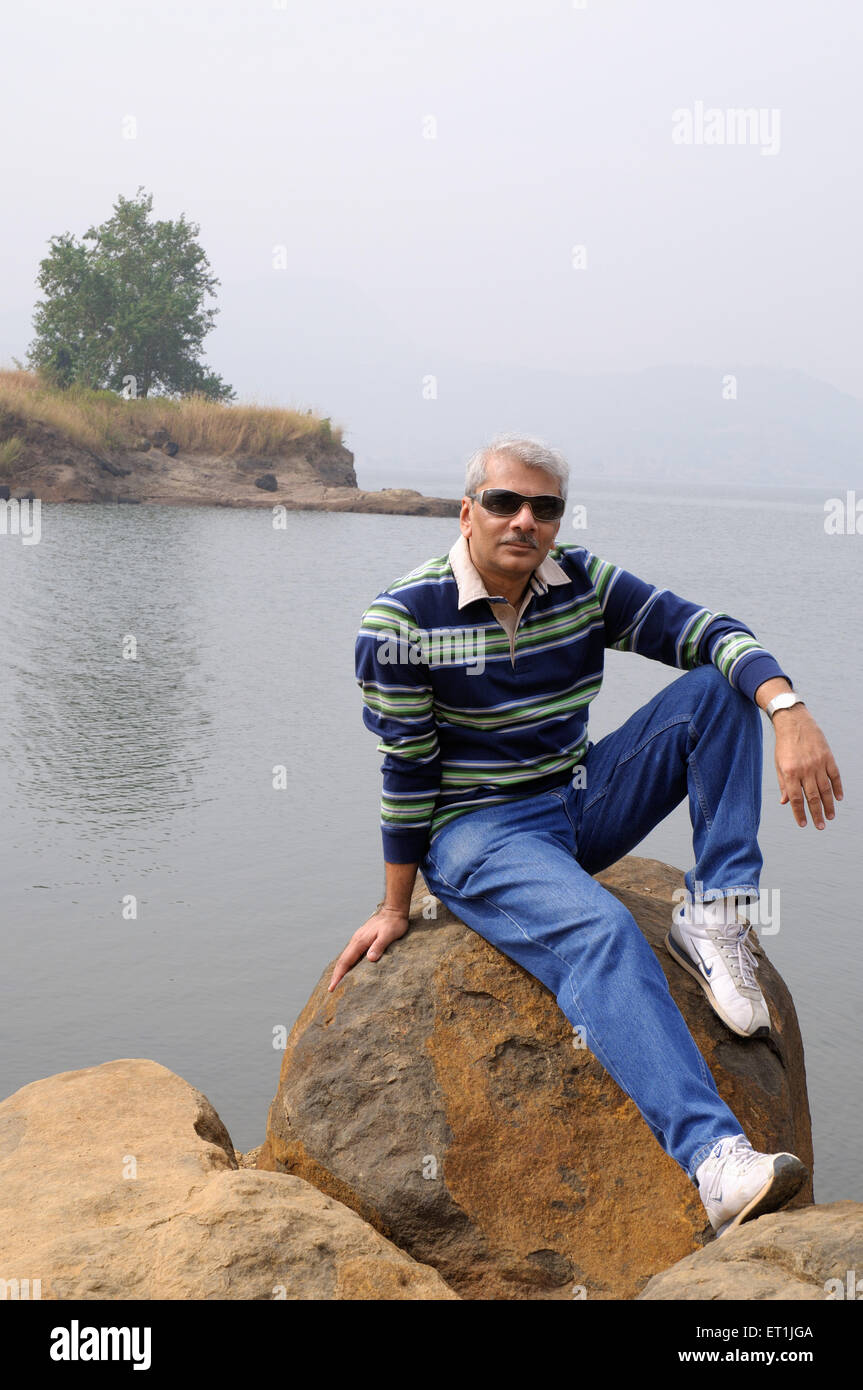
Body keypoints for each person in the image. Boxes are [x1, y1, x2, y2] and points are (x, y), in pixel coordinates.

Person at [329, 435, 843, 1238]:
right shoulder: (401, 619)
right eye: (504, 503)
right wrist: (396, 906)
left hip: (576, 798)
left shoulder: (580, 582)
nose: (523, 521)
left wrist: (788, 708)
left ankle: (712, 913)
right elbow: (406, 774)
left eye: (544, 508)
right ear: (467, 513)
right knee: (601, 931)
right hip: (479, 833)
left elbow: (707, 630)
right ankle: (714, 1161)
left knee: (714, 693)